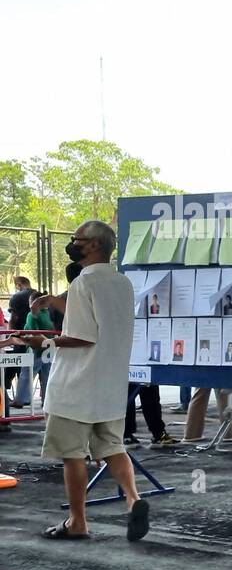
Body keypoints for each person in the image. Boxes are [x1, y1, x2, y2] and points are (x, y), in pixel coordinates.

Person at [12, 221, 150, 541]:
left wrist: (43, 342)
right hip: (111, 382)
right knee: (113, 447)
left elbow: (82, 336)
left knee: (72, 454)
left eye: (78, 239)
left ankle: (78, 522)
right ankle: (133, 500)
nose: (73, 243)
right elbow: (101, 320)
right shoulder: (122, 283)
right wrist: (57, 303)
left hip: (76, 384)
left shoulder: (82, 283)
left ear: (94, 245)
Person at [12, 291, 54, 408]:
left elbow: (31, 330)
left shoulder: (31, 315)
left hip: (35, 348)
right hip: (49, 348)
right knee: (47, 375)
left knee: (27, 373)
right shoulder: (47, 314)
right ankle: (47, 400)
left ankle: (20, 399)